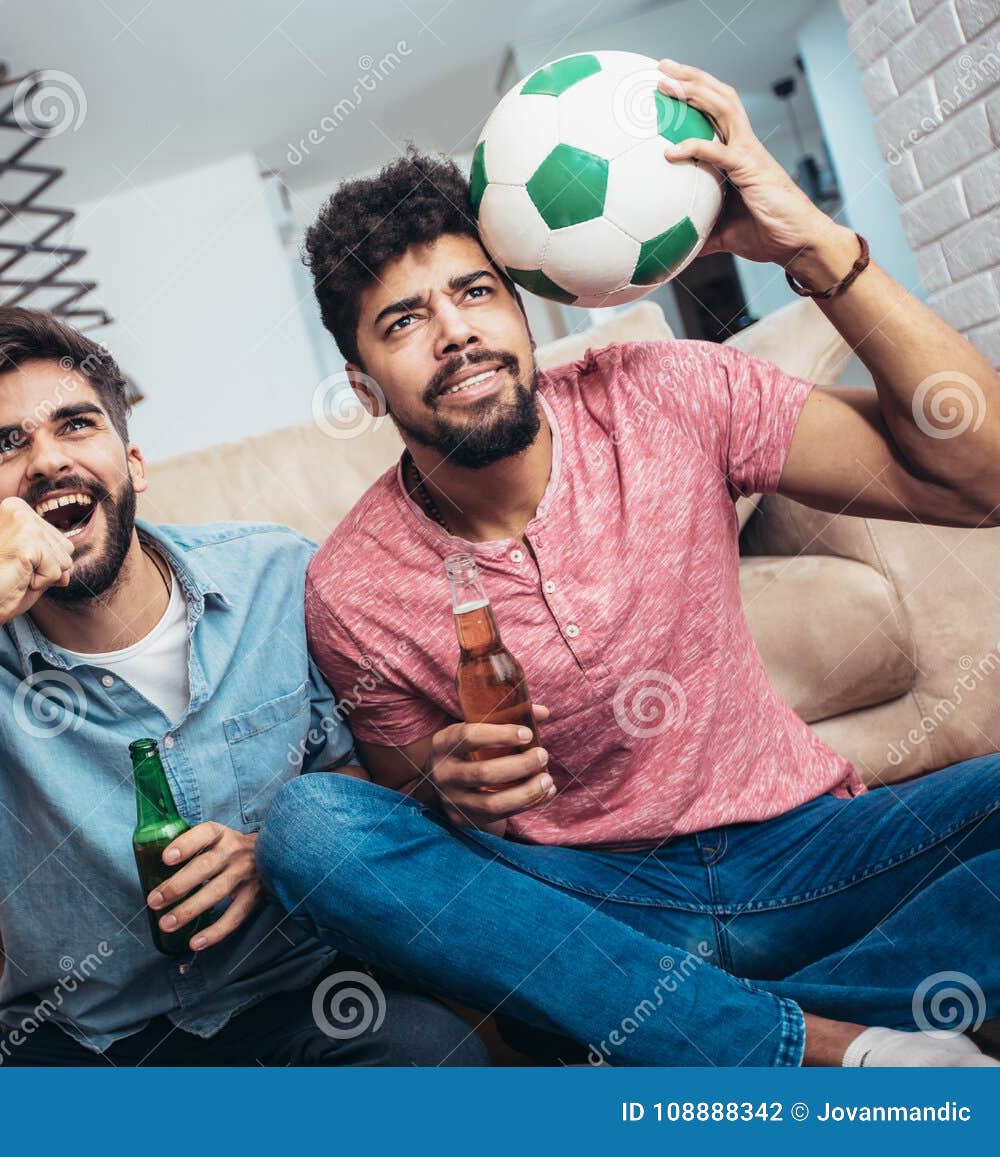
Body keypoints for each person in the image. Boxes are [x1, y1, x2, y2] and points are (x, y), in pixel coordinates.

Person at [257, 60, 1000, 1068]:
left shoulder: (668, 392)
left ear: (522, 310)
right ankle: (823, 1046)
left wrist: (816, 249)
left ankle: (697, 1028)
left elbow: (981, 478)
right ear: (361, 385)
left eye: (474, 292)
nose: (455, 332)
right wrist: (443, 788)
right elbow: (416, 829)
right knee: (309, 828)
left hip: (811, 854)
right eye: (403, 321)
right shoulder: (350, 587)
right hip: (595, 907)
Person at [0, 306, 484, 1067]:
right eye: (3, 445)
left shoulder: (276, 575)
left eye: (76, 424)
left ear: (134, 464)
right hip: (96, 1044)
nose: (46, 460)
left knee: (434, 1054)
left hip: (305, 998)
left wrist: (271, 852)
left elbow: (380, 779)